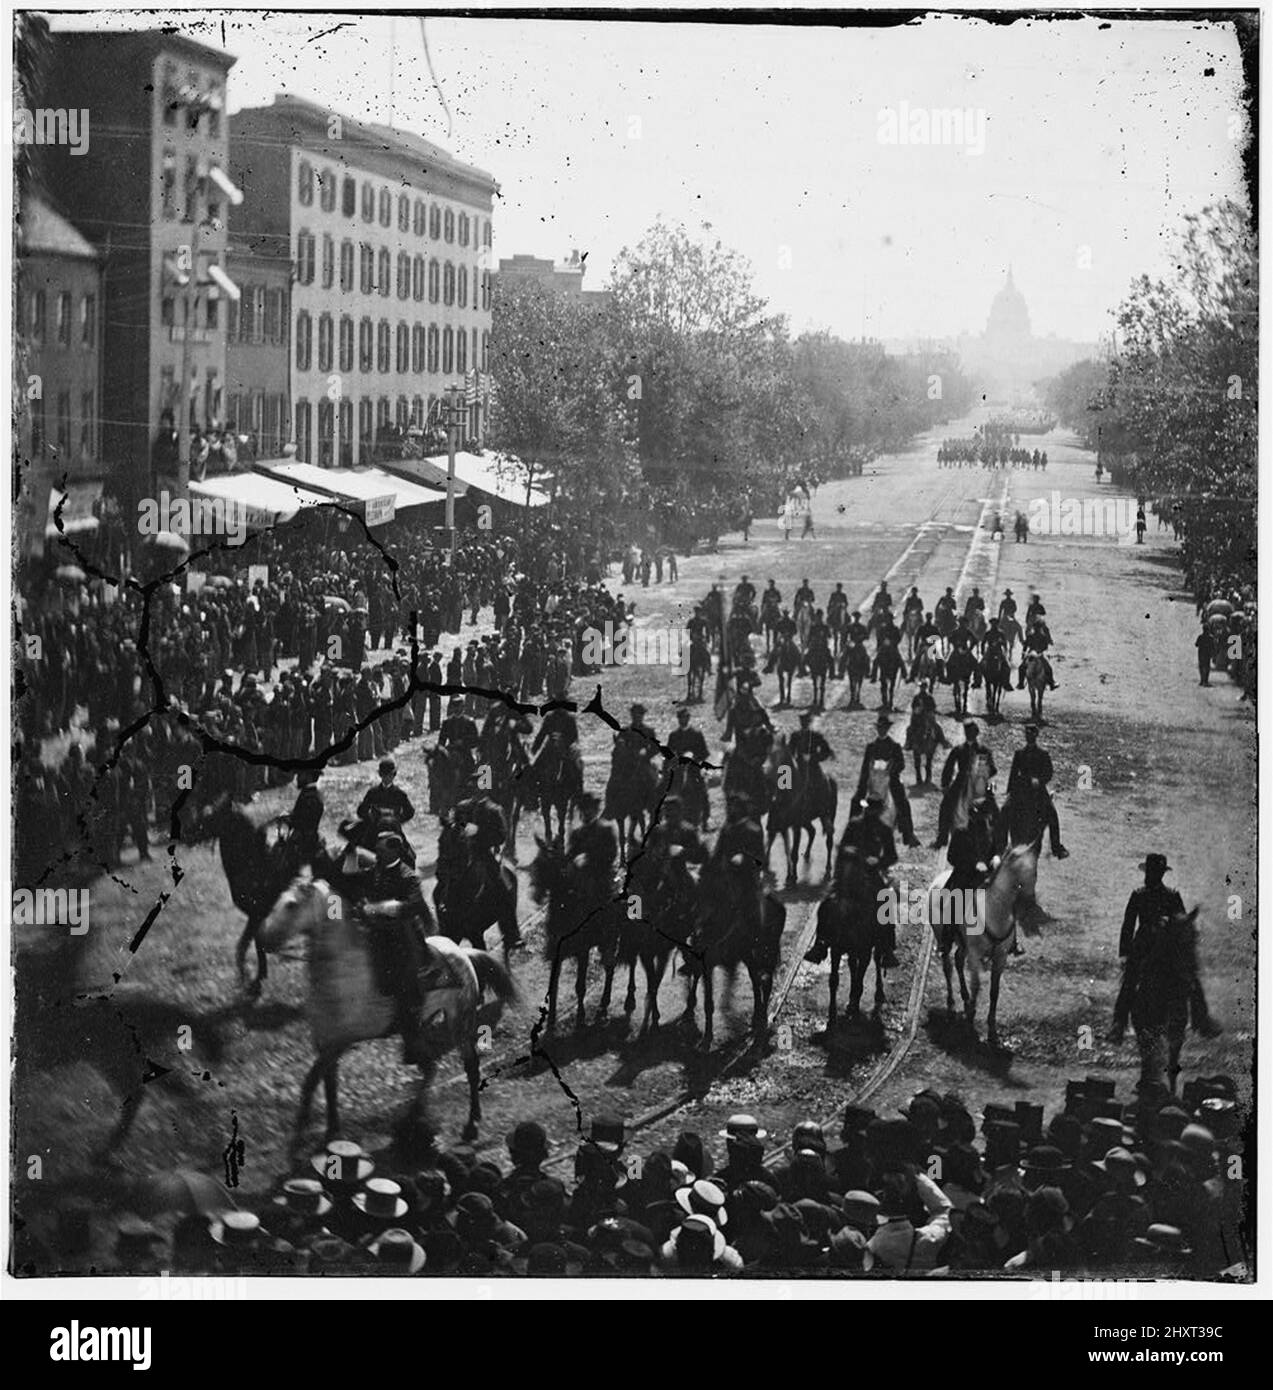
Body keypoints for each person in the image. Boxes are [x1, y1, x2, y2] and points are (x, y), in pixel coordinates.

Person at [1108, 855, 1221, 1043]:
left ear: (1158, 874)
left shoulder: (1170, 896)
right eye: (1149, 872)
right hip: (1143, 947)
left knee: (1190, 978)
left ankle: (1202, 1019)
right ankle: (1118, 1024)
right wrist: (1126, 954)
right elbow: (1127, 926)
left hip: (1167, 945)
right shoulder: (1139, 895)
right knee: (1128, 982)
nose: (1149, 876)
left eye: (1152, 872)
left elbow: (1183, 923)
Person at [854, 713, 920, 848]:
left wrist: (890, 770)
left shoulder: (894, 746)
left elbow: (901, 764)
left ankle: (909, 834)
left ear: (887, 729)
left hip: (890, 780)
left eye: (883, 728)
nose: (881, 730)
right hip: (874, 782)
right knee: (857, 801)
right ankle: (853, 833)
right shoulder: (871, 747)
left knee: (903, 803)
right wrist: (862, 785)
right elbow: (865, 768)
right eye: (879, 728)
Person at [1006, 725, 1068, 858]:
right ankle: (999, 846)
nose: (1029, 737)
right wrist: (1010, 791)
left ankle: (1056, 847)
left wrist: (1039, 781)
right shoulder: (1019, 753)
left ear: (1036, 736)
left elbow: (1049, 773)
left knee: (1052, 815)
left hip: (1037, 791)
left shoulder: (1043, 754)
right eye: (1027, 734)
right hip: (1022, 789)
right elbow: (1013, 773)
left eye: (1031, 735)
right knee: (1004, 812)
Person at [932, 722, 996, 850]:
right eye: (967, 733)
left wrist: (984, 772)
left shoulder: (984, 750)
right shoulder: (959, 749)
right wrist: (945, 784)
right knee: (946, 805)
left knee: (994, 806)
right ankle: (942, 837)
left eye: (971, 732)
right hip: (962, 782)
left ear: (976, 733)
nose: (969, 735)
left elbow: (993, 769)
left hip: (979, 783)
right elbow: (949, 767)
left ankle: (996, 838)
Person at [666, 706, 711, 829]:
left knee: (702, 792)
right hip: (678, 769)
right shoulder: (673, 735)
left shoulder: (696, 734)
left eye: (685, 717)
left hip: (693, 769)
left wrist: (694, 758)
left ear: (688, 718)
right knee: (663, 788)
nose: (683, 720)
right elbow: (669, 754)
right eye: (680, 718)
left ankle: (705, 820)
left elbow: (705, 753)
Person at [1195, 620, 1215, 687]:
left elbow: (1196, 644)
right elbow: (1213, 646)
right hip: (1208, 654)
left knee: (1201, 666)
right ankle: (1206, 681)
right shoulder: (1211, 638)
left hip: (1201, 654)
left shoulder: (1200, 637)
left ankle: (1201, 680)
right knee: (1207, 667)